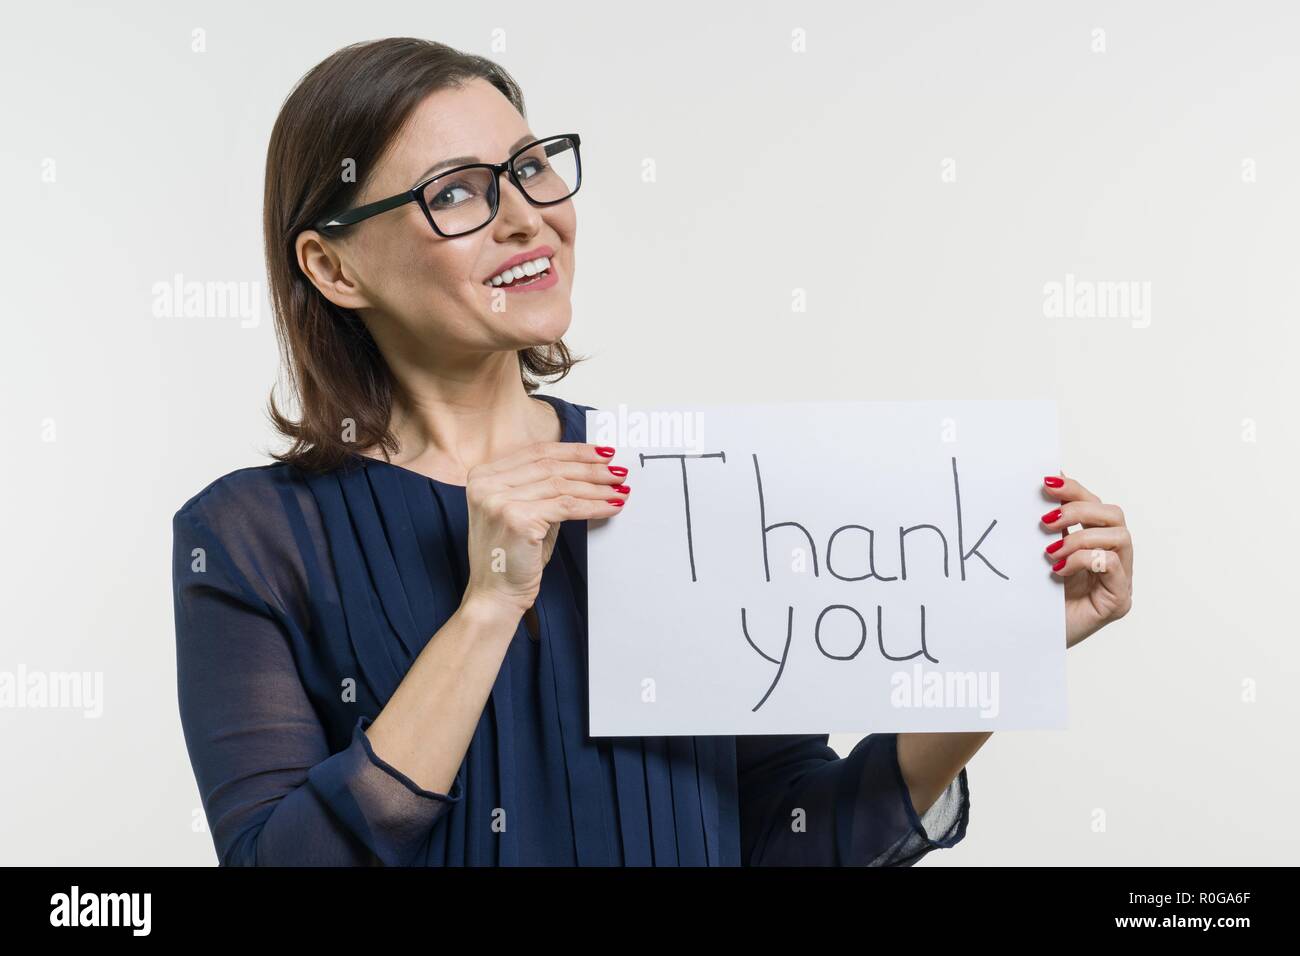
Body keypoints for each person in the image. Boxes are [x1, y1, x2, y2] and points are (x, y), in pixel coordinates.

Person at [171, 37, 1135, 866]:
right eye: (455, 192)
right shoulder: (253, 537)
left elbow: (791, 836)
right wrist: (488, 606)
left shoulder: (681, 486)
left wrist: (997, 652)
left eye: (531, 166)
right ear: (332, 266)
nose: (525, 216)